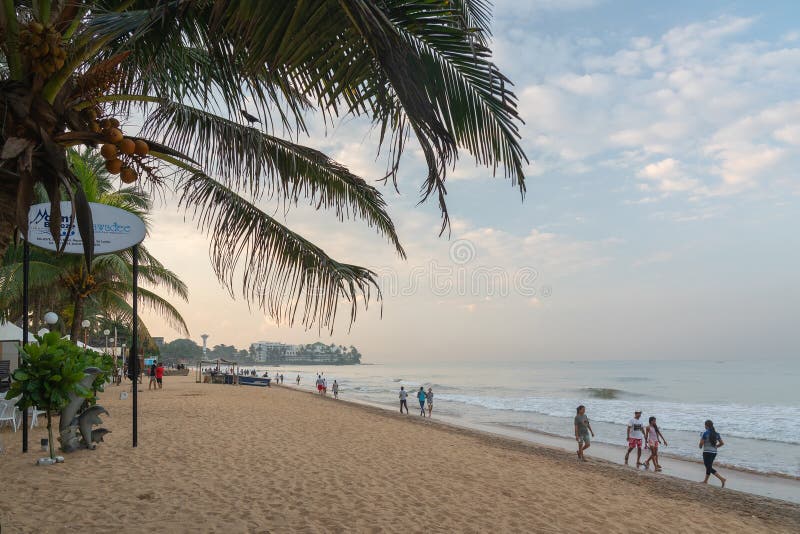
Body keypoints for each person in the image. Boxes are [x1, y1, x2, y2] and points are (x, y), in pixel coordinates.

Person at [699, 420, 726, 487]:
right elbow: (722, 443)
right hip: (714, 452)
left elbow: (700, 444)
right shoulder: (716, 434)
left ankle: (722, 479)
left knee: (708, 467)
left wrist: (700, 444)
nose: (704, 426)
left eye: (705, 425)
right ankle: (706, 481)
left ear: (706, 426)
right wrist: (716, 447)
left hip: (707, 452)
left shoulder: (705, 433)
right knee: (709, 467)